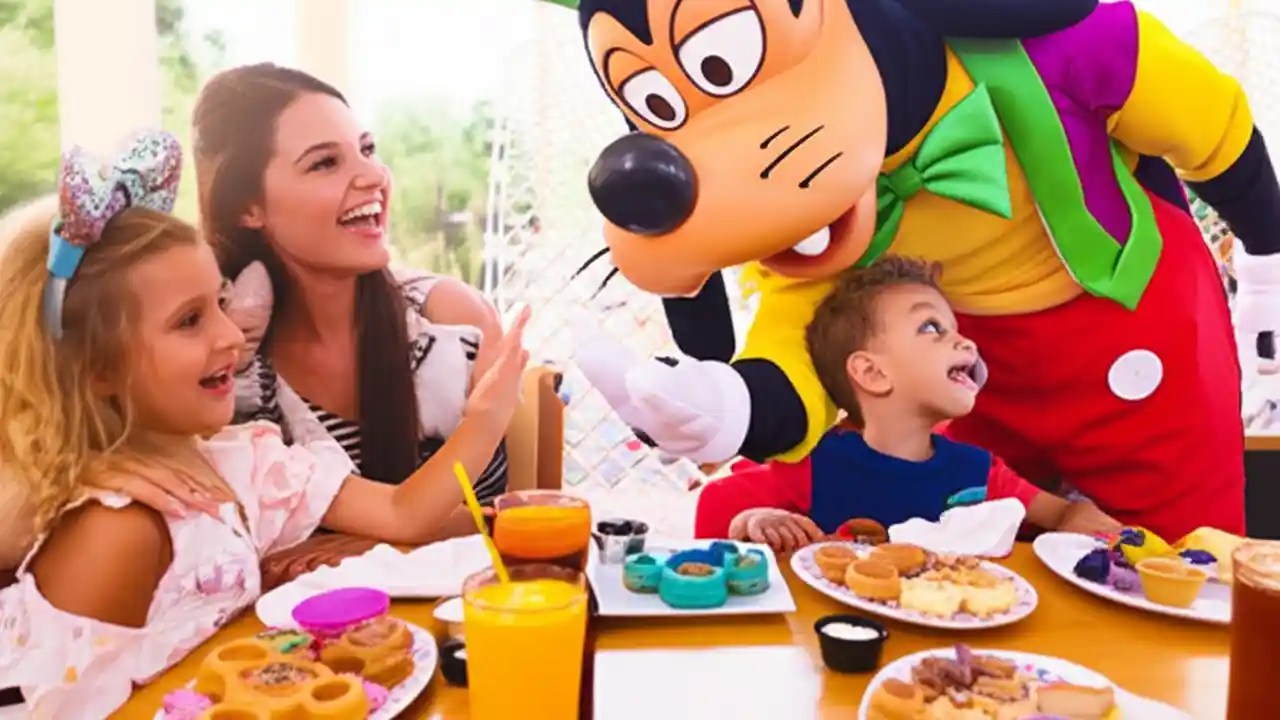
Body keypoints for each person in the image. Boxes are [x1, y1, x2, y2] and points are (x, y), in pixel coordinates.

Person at [0, 133, 528, 717]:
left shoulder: (242, 464)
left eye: (220, 304)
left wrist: (486, 418)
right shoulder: (117, 529)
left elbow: (403, 513)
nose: (230, 336)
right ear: (98, 368)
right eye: (190, 321)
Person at [192, 62, 510, 503]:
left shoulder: (450, 323)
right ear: (248, 208)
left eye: (367, 149)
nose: (374, 176)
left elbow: (509, 516)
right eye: (325, 163)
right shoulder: (226, 365)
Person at [694, 257, 1121, 552]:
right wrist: (756, 523)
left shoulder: (981, 472)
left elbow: (1064, 513)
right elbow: (718, 510)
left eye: (955, 327)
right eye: (932, 327)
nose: (965, 341)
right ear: (872, 372)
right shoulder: (812, 465)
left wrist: (1086, 523)